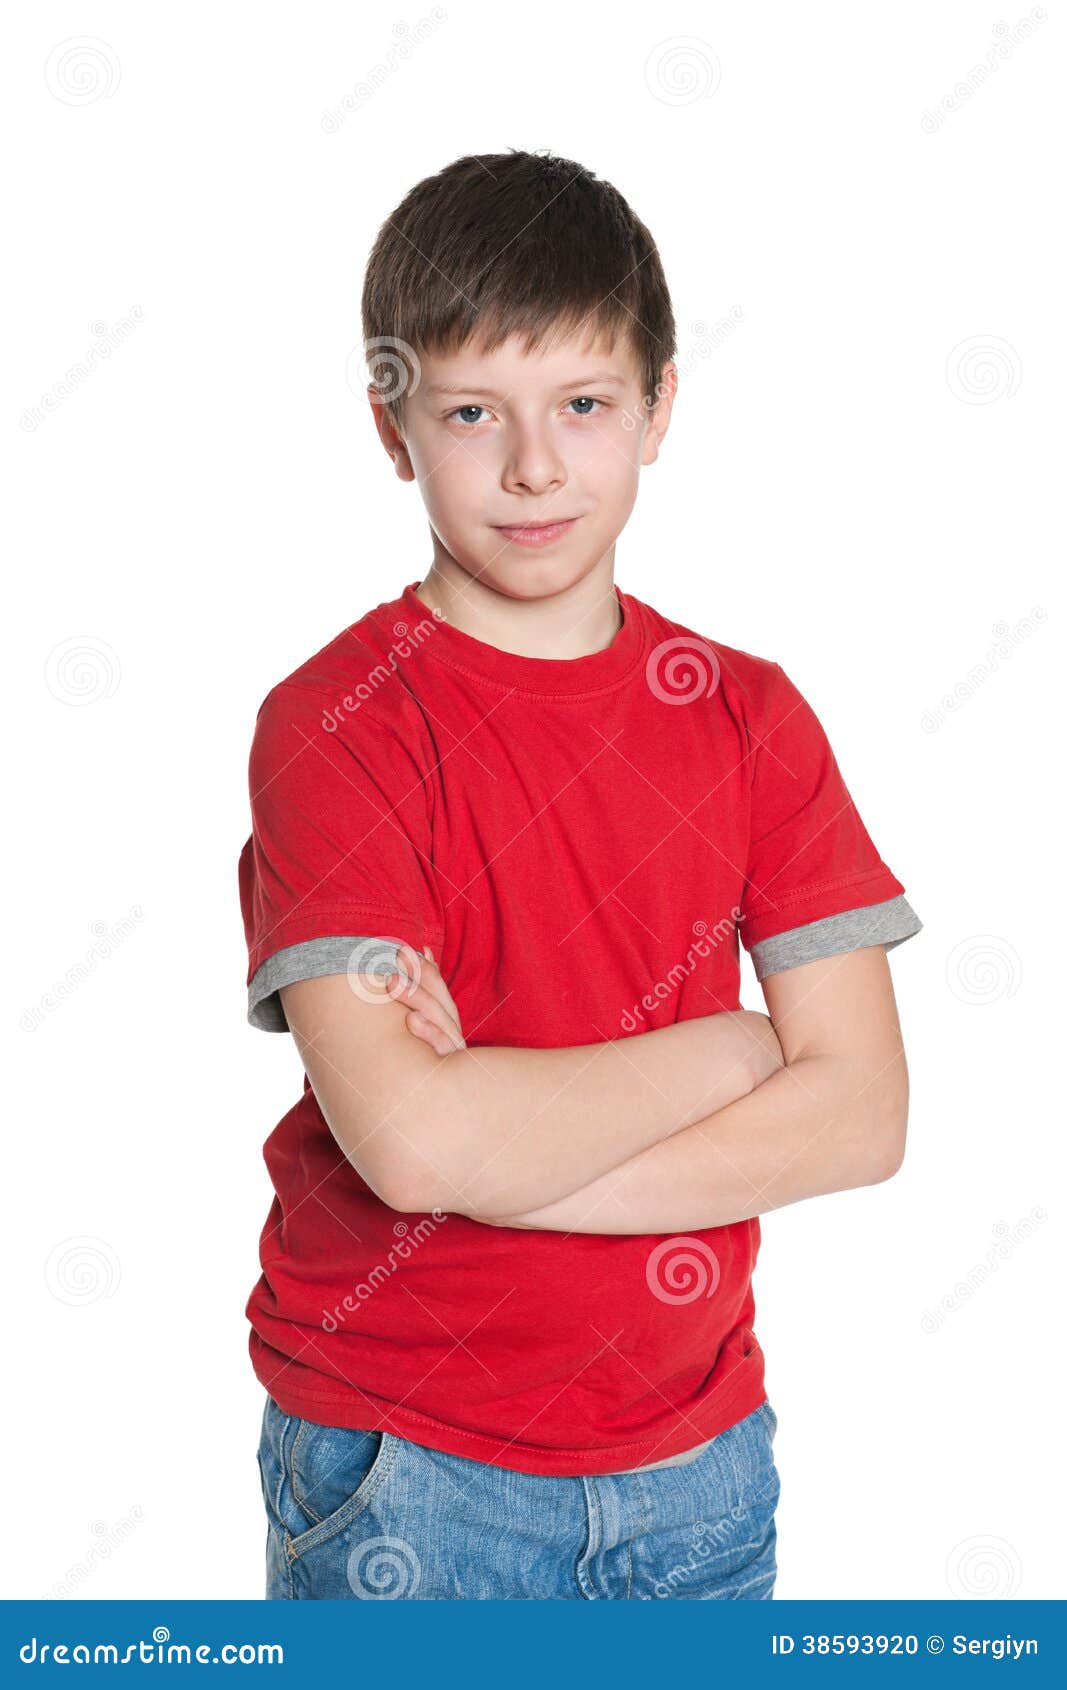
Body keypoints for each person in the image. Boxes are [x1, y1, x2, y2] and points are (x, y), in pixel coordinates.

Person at [240, 149, 921, 1601]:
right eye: (474, 411)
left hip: (703, 1458)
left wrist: (500, 1152)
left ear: (662, 406)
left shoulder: (748, 715)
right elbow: (413, 1150)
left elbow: (863, 1115)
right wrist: (741, 1051)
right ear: (391, 423)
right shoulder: (339, 722)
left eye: (585, 405)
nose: (534, 467)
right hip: (411, 1459)